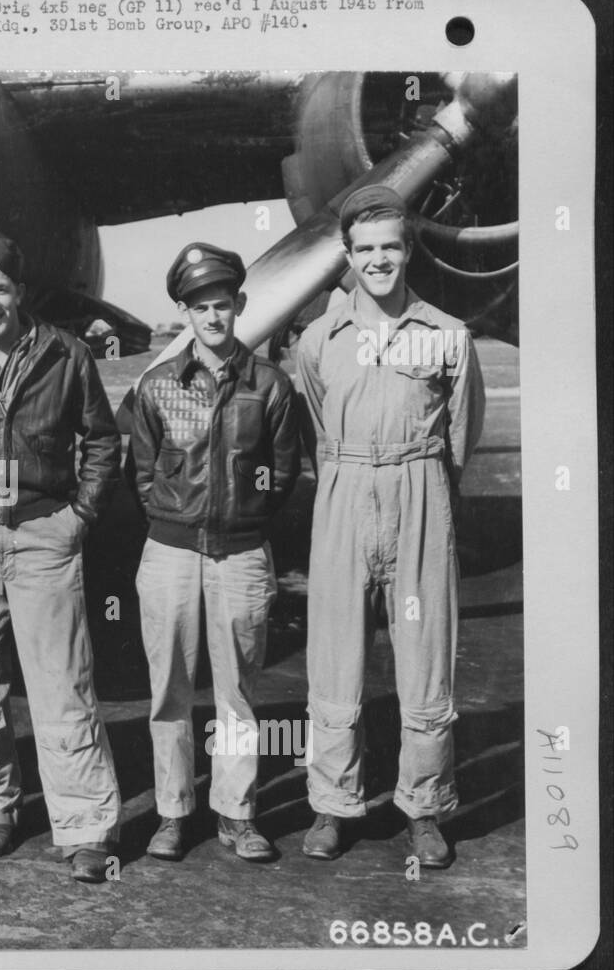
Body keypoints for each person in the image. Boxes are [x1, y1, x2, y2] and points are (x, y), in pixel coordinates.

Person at [0, 219, 123, 884]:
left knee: (63, 679)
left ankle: (85, 825)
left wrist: (82, 514)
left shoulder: (65, 355)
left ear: (20, 291)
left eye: (1, 290)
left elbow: (100, 439)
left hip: (44, 529)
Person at [297, 184, 485, 867]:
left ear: (408, 251)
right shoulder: (319, 340)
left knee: (426, 654)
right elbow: (320, 424)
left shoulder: (447, 336)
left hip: (419, 493)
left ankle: (425, 807)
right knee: (335, 656)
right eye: (365, 248)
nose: (378, 259)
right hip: (346, 490)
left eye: (390, 247)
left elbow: (460, 437)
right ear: (347, 254)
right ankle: (332, 802)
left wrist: (424, 485)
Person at [130, 243, 301, 863]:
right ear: (184, 311)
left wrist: (242, 519)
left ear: (240, 306)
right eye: (200, 307)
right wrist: (179, 519)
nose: (213, 318)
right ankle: (173, 812)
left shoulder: (271, 388)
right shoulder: (157, 387)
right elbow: (143, 474)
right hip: (170, 551)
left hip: (241, 554)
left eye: (222, 305)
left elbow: (280, 476)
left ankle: (237, 814)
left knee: (237, 692)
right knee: (169, 691)